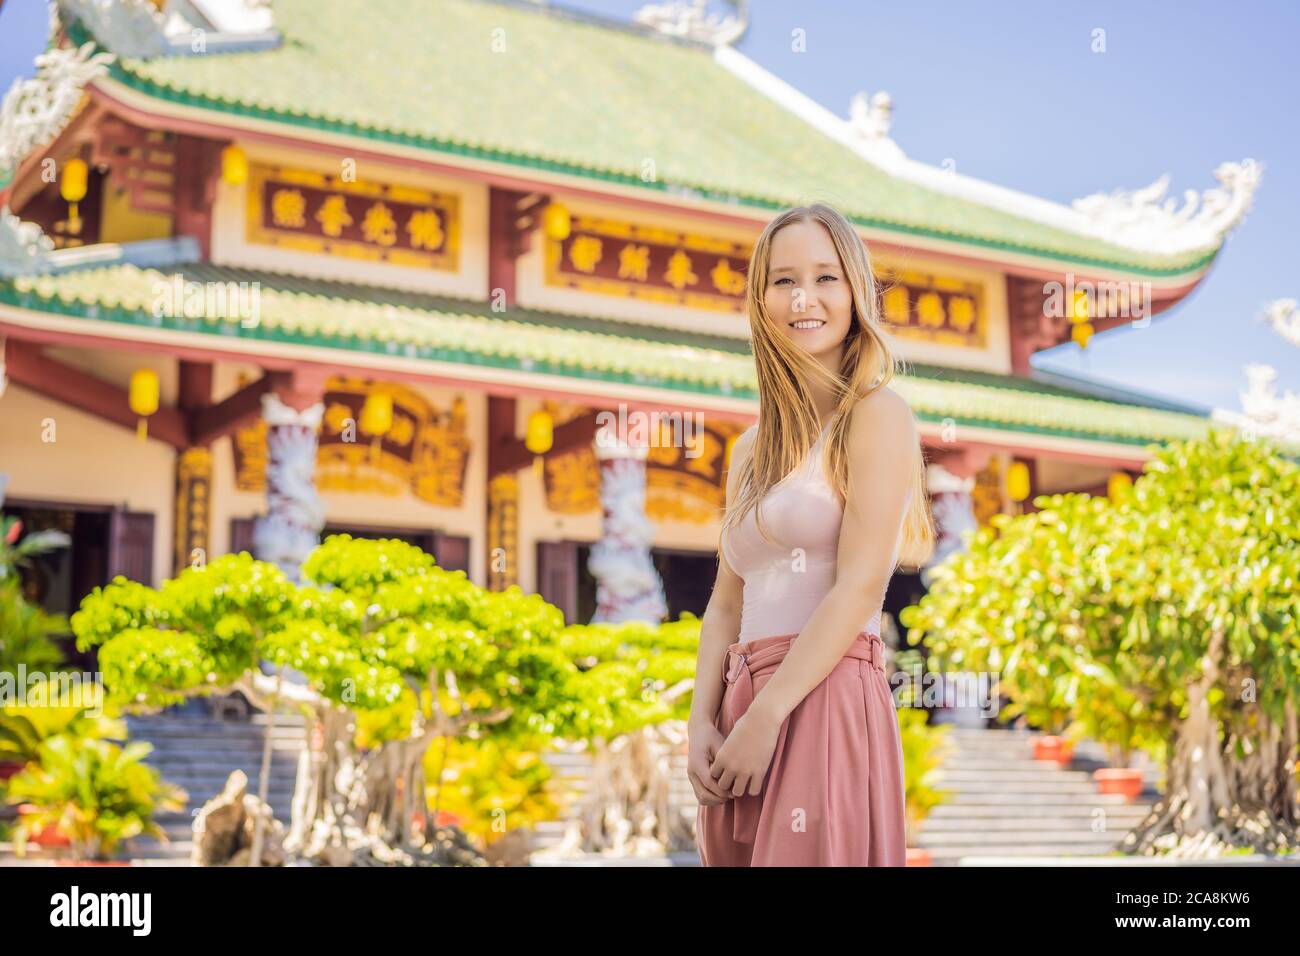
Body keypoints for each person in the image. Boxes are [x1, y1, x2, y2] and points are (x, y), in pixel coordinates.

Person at [689, 202, 935, 866]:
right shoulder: (749, 449)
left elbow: (860, 586)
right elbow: (725, 605)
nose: (805, 297)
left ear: (856, 292)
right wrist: (702, 723)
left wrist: (768, 715)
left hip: (821, 692)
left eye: (827, 278)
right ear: (760, 298)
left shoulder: (876, 415)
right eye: (783, 279)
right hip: (742, 699)